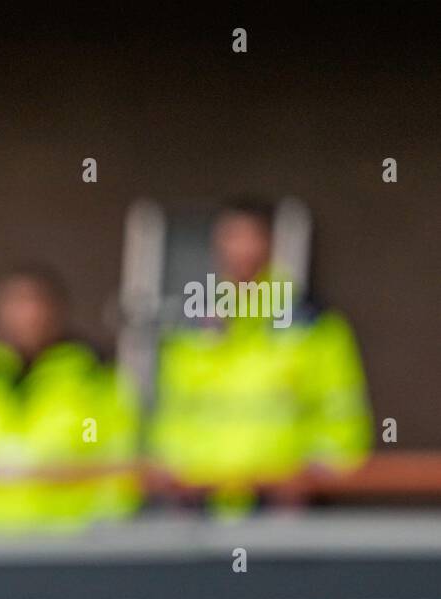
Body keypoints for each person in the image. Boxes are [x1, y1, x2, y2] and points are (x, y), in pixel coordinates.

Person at [148, 198, 372, 511]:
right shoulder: (191, 324)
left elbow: (342, 414)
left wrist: (316, 476)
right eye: (231, 237)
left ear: (271, 244)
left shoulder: (311, 323)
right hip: (201, 503)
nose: (242, 249)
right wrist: (172, 470)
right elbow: (170, 413)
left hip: (283, 503)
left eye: (251, 237)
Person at [0, 267, 141, 532]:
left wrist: (100, 534)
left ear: (58, 313)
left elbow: (121, 470)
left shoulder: (96, 380)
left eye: (36, 303)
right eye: (17, 304)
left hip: (70, 546)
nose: (28, 316)